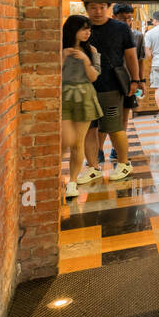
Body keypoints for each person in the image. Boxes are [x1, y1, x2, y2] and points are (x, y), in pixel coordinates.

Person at [82, 0, 139, 182]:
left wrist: (136, 79)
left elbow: (131, 55)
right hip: (84, 87)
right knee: (88, 129)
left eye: (101, 7)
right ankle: (93, 167)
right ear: (87, 9)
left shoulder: (121, 28)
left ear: (108, 8)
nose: (98, 11)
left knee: (114, 127)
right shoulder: (81, 27)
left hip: (112, 85)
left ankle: (124, 164)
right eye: (93, 7)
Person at [60, 15, 103, 199]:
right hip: (63, 97)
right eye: (84, 29)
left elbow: (94, 77)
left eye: (89, 29)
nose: (88, 33)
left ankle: (72, 182)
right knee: (64, 141)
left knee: (77, 143)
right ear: (72, 30)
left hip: (84, 97)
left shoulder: (91, 50)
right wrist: (63, 56)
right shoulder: (61, 49)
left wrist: (85, 60)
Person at [111, 4, 146, 155]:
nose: (126, 22)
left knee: (125, 117)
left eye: (129, 18)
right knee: (108, 117)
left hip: (129, 82)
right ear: (114, 18)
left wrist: (140, 81)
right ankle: (99, 149)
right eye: (122, 19)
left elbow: (140, 60)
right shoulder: (110, 34)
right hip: (111, 80)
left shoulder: (137, 36)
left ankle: (117, 149)